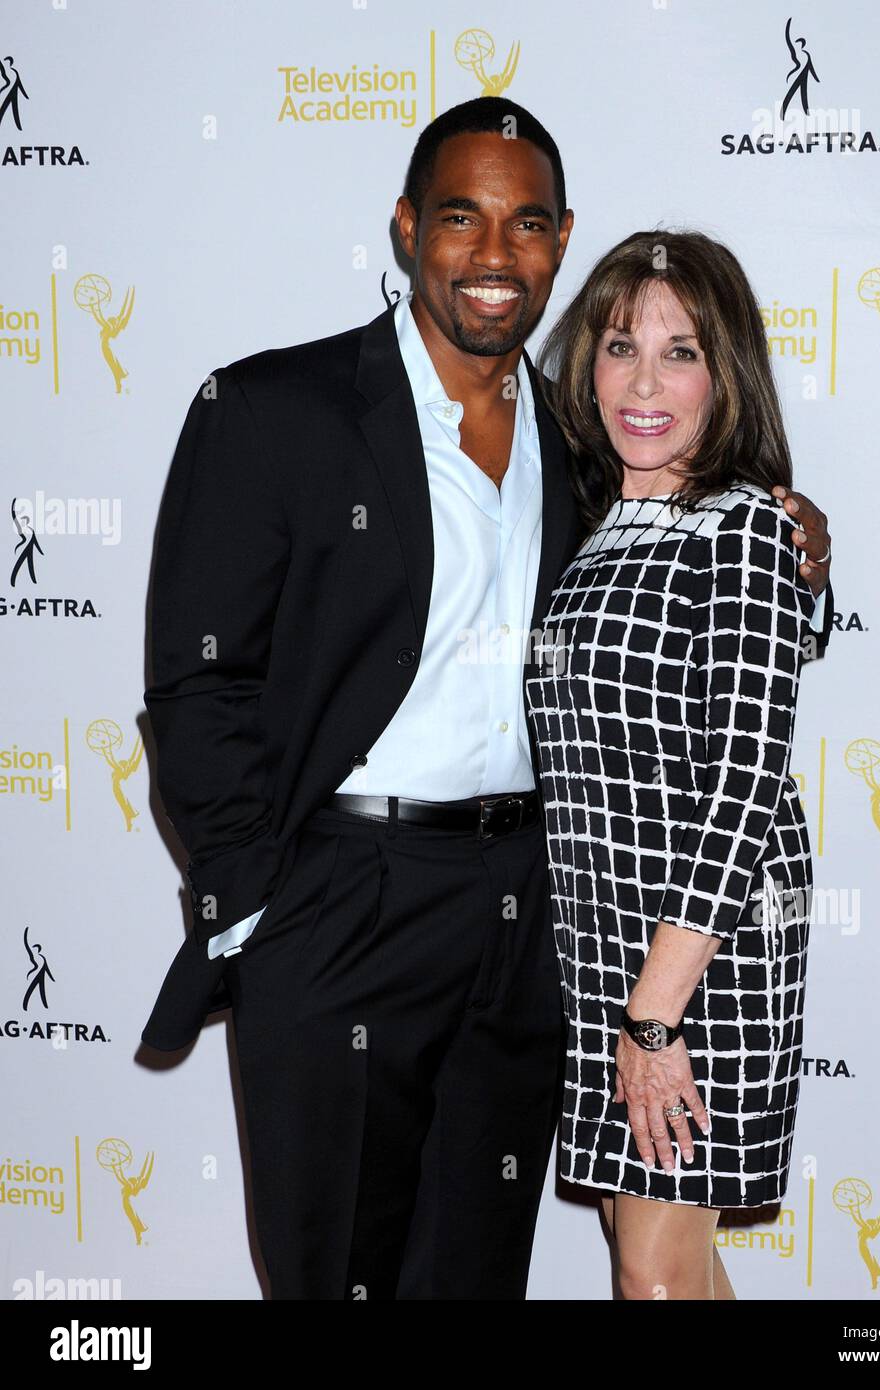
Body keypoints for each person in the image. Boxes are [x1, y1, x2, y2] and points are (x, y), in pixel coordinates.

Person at [140, 98, 834, 1300]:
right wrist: (257, 908)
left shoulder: (586, 448)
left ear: (562, 243)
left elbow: (715, 560)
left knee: (476, 1271)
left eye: (526, 224)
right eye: (462, 216)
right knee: (336, 1271)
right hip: (339, 902)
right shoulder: (272, 411)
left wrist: (795, 523)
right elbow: (199, 683)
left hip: (534, 913)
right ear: (409, 228)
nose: (494, 253)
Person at [527, 229, 827, 1300]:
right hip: (599, 947)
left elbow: (743, 780)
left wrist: (656, 1017)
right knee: (667, 1259)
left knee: (652, 1273)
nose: (645, 382)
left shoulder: (742, 527)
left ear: (726, 371)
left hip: (700, 957)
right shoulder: (591, 524)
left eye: (682, 351)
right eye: (620, 346)